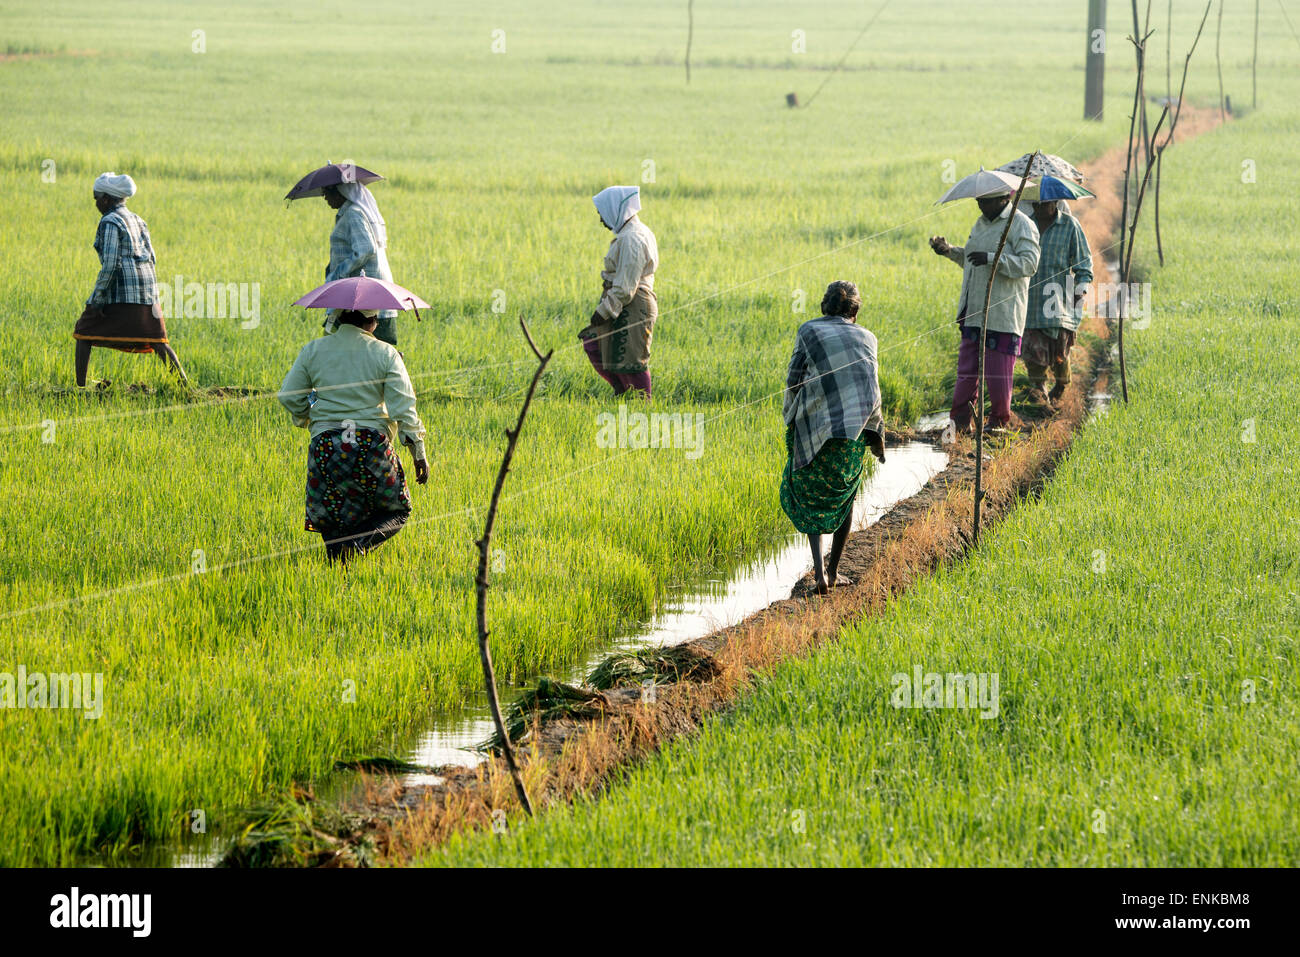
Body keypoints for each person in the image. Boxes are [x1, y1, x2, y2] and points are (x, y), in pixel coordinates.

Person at [278, 309, 429, 563]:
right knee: (398, 510)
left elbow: (289, 396)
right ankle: (358, 544)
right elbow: (403, 409)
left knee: (331, 514)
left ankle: (337, 569)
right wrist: (418, 453)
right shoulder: (386, 353)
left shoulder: (313, 350)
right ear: (373, 322)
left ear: (337, 318)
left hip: (326, 445)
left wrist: (314, 410)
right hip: (371, 447)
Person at [780, 281, 886, 595]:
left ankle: (819, 575)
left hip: (815, 426)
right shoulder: (869, 337)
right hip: (852, 429)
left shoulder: (808, 331)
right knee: (845, 496)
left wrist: (793, 416)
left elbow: (794, 379)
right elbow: (872, 388)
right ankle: (835, 570)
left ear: (825, 306)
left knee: (810, 492)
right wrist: (877, 434)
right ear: (855, 309)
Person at [929, 192, 1040, 433]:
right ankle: (959, 423)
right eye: (978, 200)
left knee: (998, 375)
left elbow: (1030, 264)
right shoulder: (981, 223)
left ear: (1003, 199)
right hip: (974, 311)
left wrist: (993, 258)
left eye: (985, 201)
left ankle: (997, 425)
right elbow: (972, 261)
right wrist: (948, 251)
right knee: (966, 373)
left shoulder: (1021, 224)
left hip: (1002, 314)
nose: (980, 205)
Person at [73, 173, 188, 387]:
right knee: (158, 341)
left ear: (106, 199)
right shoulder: (138, 220)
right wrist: (150, 292)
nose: (95, 202)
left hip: (123, 287)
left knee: (83, 332)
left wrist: (98, 299)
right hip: (147, 289)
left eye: (96, 198)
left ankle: (80, 388)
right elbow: (152, 257)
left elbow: (110, 264)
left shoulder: (109, 221)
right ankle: (186, 387)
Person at [579, 185, 659, 397]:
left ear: (614, 209)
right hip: (624, 303)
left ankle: (641, 404)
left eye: (602, 214)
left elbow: (625, 287)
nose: (601, 220)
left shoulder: (631, 238)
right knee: (597, 346)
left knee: (631, 360)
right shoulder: (632, 232)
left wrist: (603, 312)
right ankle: (622, 394)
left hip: (633, 304)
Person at [1021, 199, 1092, 407]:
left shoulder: (1070, 226)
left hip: (1059, 304)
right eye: (1035, 204)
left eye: (1045, 204)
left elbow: (1084, 265)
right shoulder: (1025, 226)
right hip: (1031, 304)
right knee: (1033, 354)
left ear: (1055, 202)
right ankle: (1040, 395)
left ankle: (1060, 386)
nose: (1040, 208)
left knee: (1060, 354)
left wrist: (1081, 288)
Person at [321, 183, 400, 347]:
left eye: (328, 191)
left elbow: (365, 249)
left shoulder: (353, 214)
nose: (325, 197)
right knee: (347, 344)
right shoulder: (348, 213)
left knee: (369, 349)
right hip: (358, 293)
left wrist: (339, 272)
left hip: (364, 293)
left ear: (341, 192)